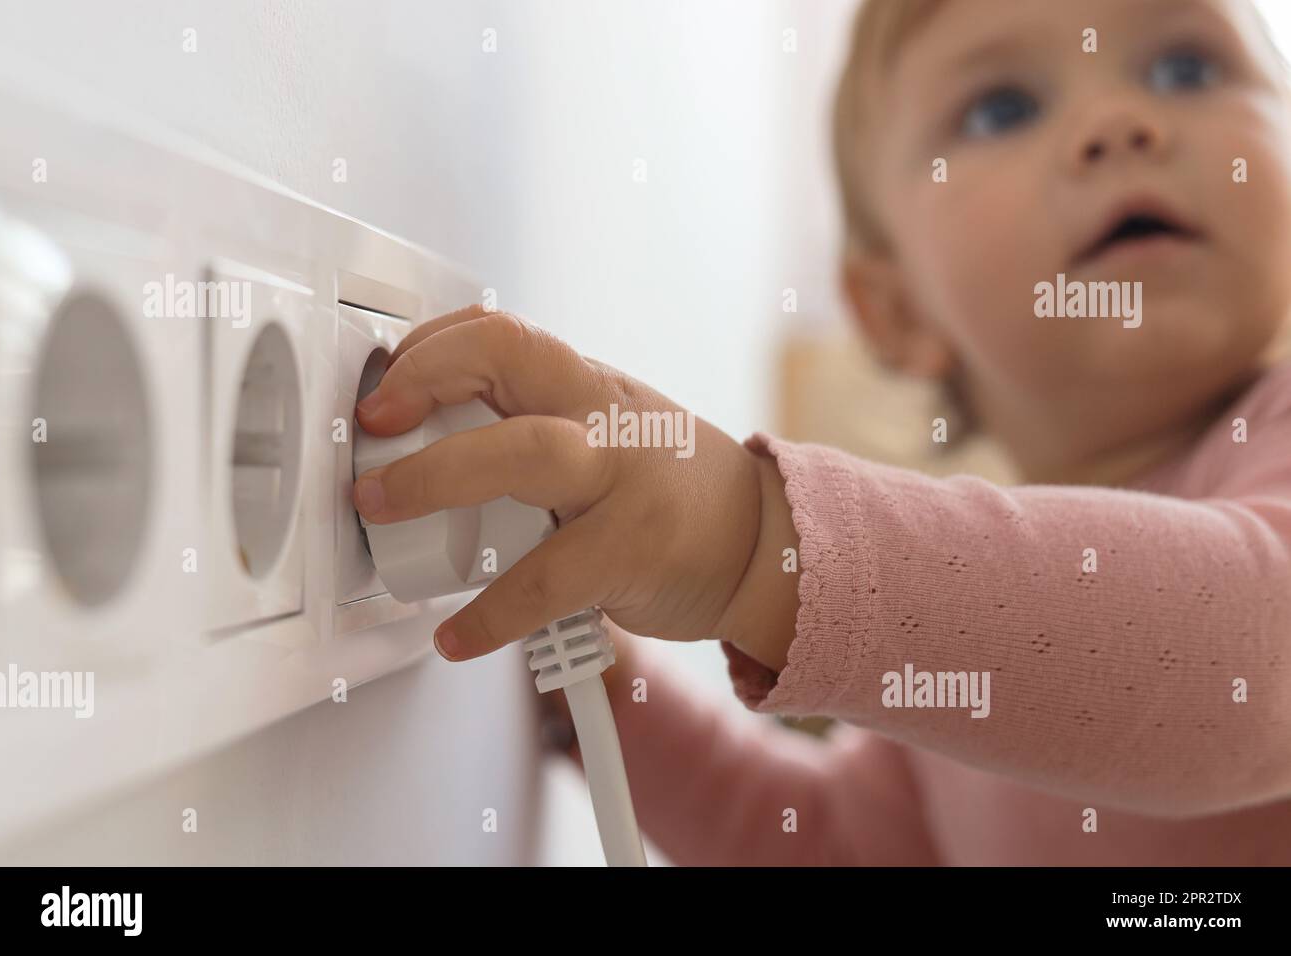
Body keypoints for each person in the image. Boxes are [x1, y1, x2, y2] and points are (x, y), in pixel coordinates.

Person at [353, 0, 1291, 864]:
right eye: (1004, 107)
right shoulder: (966, 648)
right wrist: (609, 700)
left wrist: (755, 542)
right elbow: (834, 845)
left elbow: (1254, 653)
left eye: (1186, 68)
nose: (1120, 124)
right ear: (894, 310)